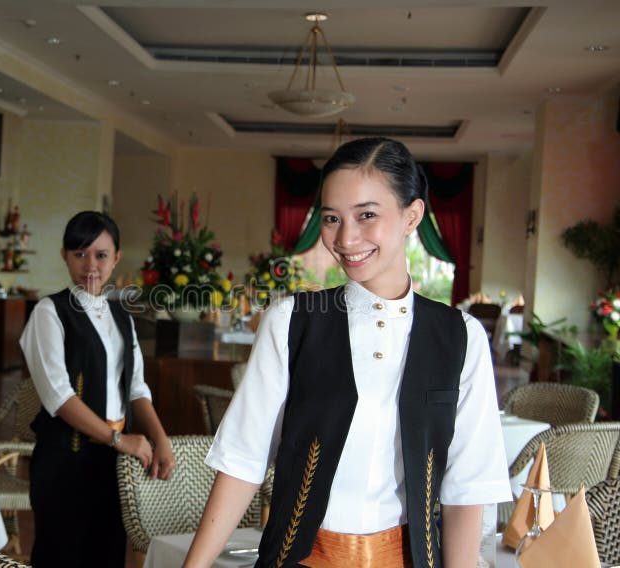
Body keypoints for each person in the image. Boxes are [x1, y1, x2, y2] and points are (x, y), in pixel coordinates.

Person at [184, 138, 512, 568]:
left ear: (412, 216)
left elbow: (467, 489)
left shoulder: (460, 336)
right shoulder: (292, 322)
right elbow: (243, 462)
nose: (346, 238)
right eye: (332, 218)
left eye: (367, 215)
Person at [20, 211, 176, 568]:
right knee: (61, 556)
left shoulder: (122, 316)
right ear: (65, 256)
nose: (90, 265)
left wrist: (161, 439)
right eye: (80, 254)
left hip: (113, 464)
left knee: (105, 556)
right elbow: (59, 396)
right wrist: (119, 440)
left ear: (116, 258)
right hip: (64, 461)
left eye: (101, 255)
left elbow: (136, 387)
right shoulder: (50, 312)